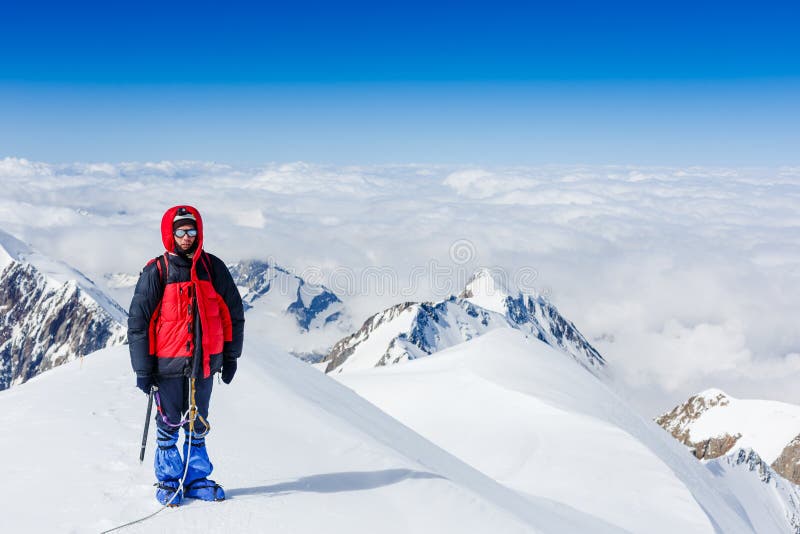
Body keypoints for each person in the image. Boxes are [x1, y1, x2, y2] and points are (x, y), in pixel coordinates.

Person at [128, 205, 244, 506]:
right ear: (170, 233)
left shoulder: (213, 268)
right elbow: (139, 323)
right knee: (168, 424)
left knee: (198, 423)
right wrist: (143, 369)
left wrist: (231, 356)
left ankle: (195, 480)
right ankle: (168, 481)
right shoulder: (158, 271)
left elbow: (232, 314)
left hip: (204, 364)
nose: (187, 237)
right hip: (167, 366)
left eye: (191, 231)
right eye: (180, 231)